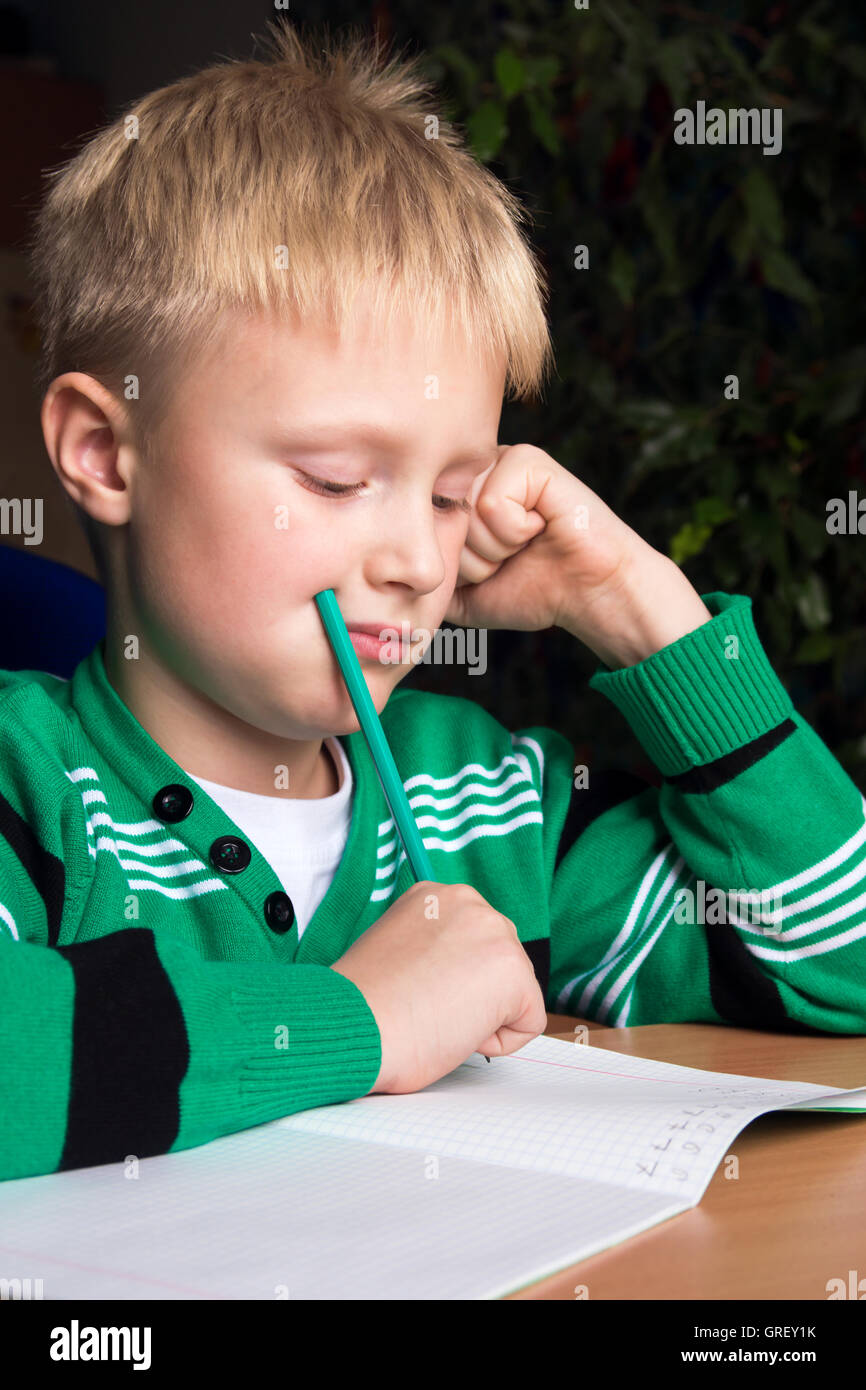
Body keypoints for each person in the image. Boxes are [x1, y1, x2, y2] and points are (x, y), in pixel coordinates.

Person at [2, 20, 863, 1183]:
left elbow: (840, 962)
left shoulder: (492, 806)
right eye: (335, 479)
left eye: (454, 495)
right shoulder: (28, 786)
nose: (418, 558)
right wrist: (359, 1020)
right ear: (105, 453)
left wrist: (640, 608)